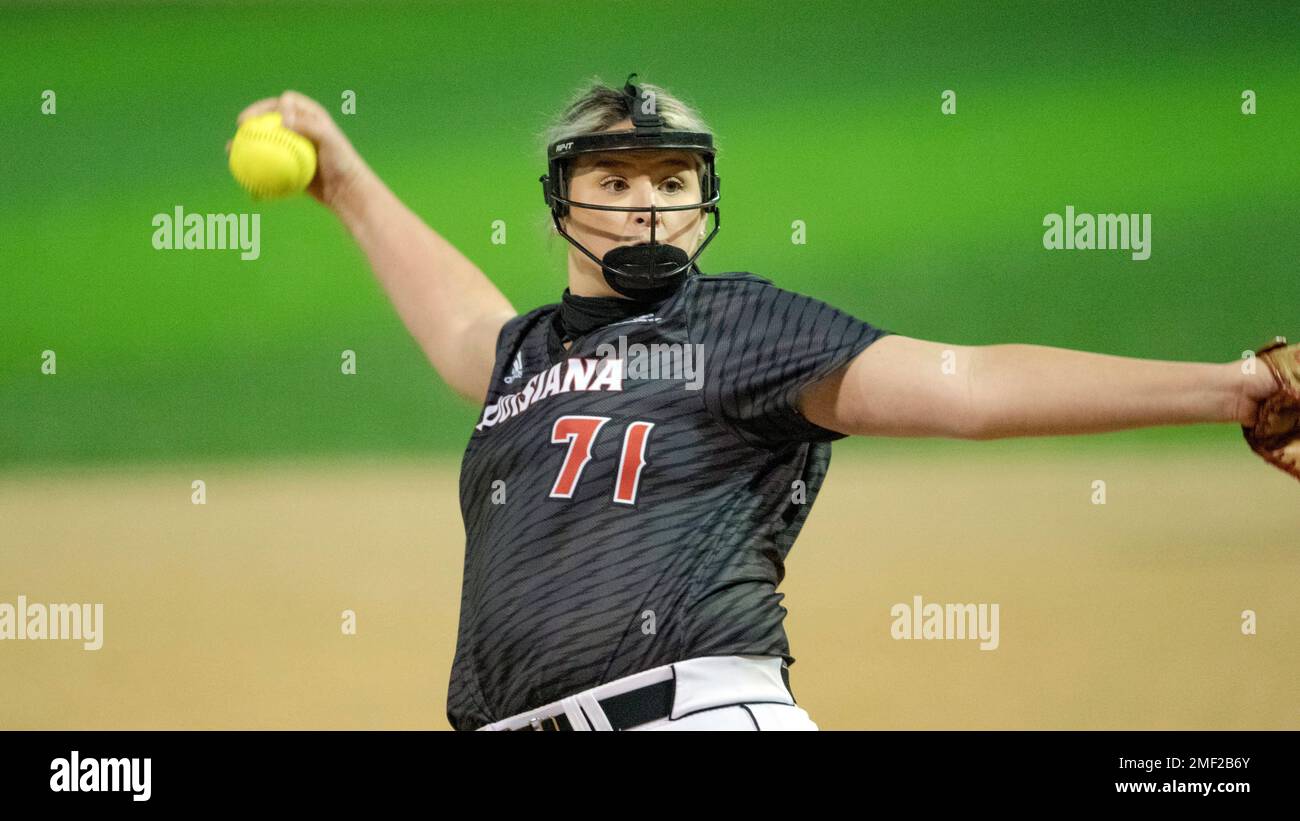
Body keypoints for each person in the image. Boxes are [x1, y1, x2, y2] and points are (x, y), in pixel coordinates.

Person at [231, 75, 1281, 731]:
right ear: (563, 198)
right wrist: (345, 183)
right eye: (614, 174)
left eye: (670, 178)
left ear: (702, 205)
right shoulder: (524, 360)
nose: (645, 198)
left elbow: (968, 386)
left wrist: (1237, 384)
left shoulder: (737, 328)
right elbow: (461, 326)